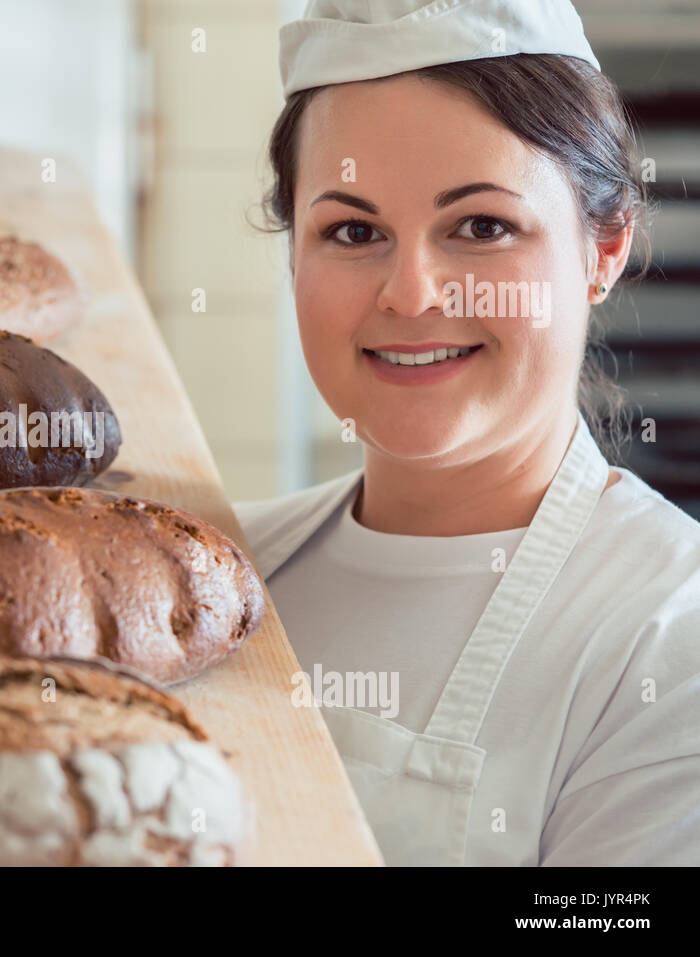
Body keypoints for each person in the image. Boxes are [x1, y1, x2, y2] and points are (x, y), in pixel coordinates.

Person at [232, 0, 700, 866]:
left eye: (482, 226)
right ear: (294, 252)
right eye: (353, 230)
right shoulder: (216, 577)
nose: (411, 295)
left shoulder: (671, 639)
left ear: (604, 251)